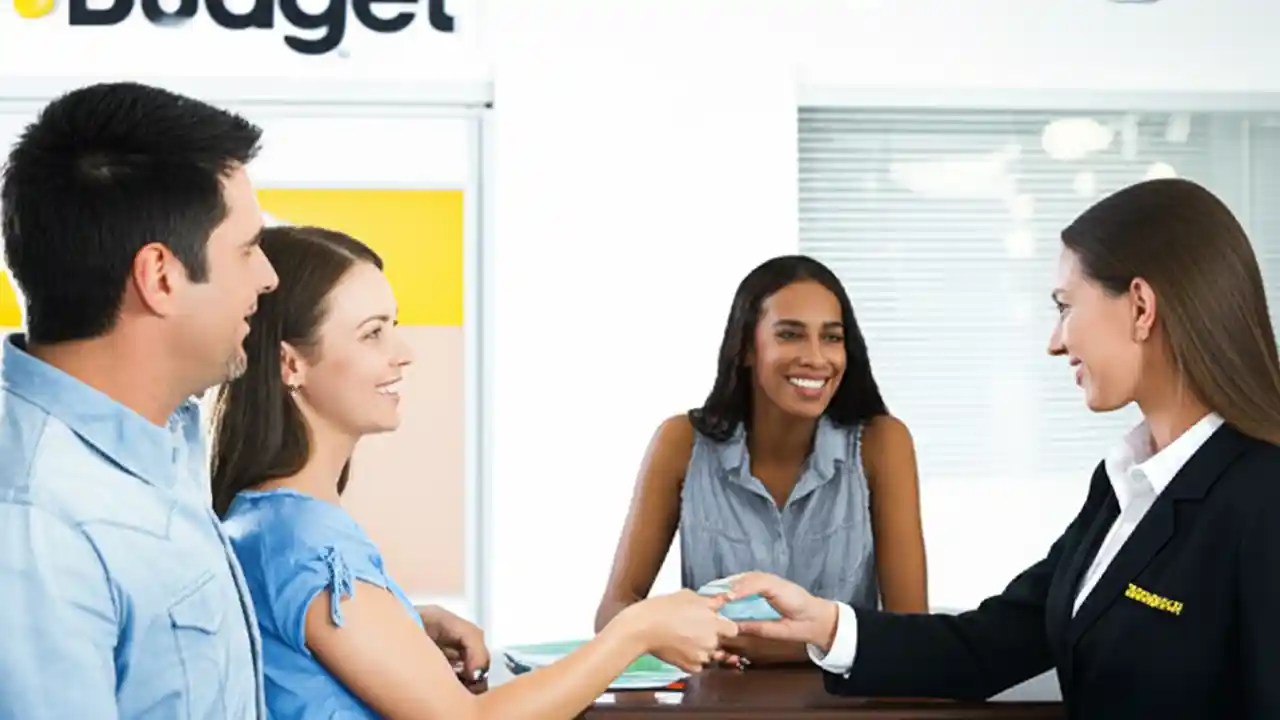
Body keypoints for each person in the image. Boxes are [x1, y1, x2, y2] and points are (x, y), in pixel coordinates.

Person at [725, 178, 1280, 719]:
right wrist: (826, 625)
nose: (1055, 341)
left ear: (1140, 307)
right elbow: (993, 644)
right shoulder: (1126, 485)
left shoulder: (1262, 497)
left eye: (1065, 306)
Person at [209, 225, 738, 720]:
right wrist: (633, 632)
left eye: (394, 326)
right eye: (372, 334)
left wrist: (403, 624)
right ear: (290, 364)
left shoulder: (268, 520)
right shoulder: (303, 542)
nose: (403, 353)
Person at [0, 82, 279, 718]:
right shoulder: (35, 524)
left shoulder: (163, 449)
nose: (268, 277)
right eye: (247, 249)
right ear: (161, 276)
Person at [595, 255, 928, 666]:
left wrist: (750, 646)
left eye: (831, 337)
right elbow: (614, 612)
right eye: (790, 335)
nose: (816, 357)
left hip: (842, 708)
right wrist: (669, 638)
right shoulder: (681, 443)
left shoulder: (880, 443)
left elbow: (911, 631)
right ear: (747, 348)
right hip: (717, 706)